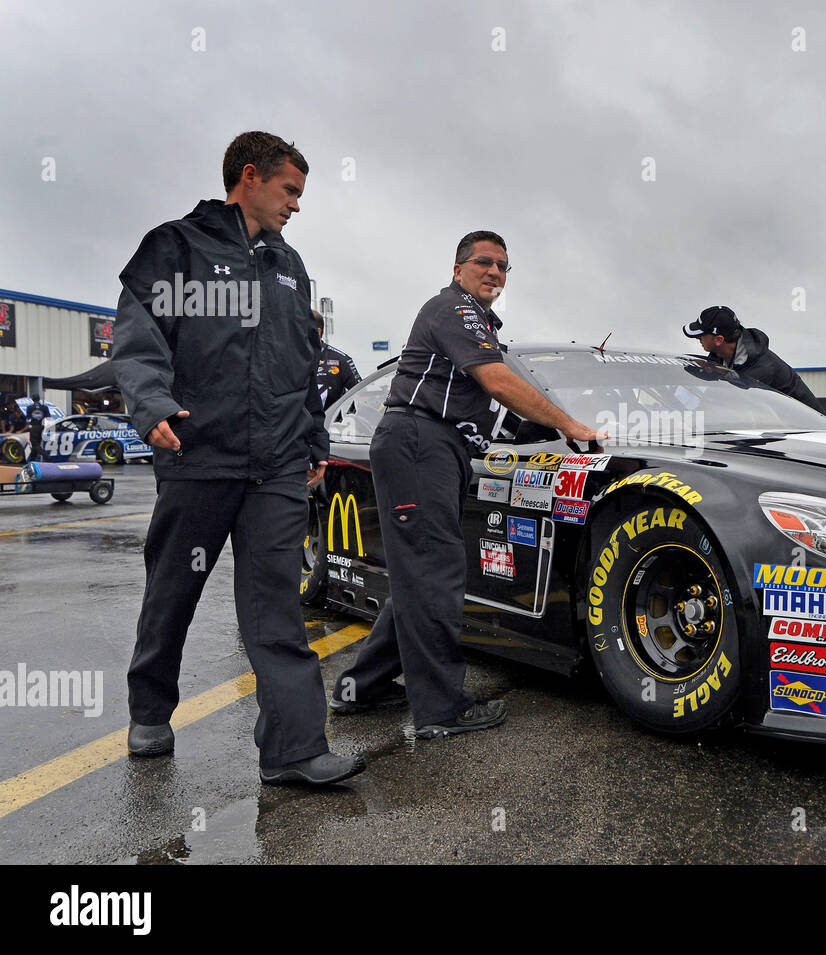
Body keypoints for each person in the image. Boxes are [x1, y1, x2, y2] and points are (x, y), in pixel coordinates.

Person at [112, 131, 365, 785]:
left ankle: (293, 748)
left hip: (276, 465)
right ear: (248, 177)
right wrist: (152, 402)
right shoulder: (178, 246)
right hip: (200, 455)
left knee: (276, 603)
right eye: (290, 190)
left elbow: (300, 365)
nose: (297, 205)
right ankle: (149, 709)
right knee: (173, 592)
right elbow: (137, 329)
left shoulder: (290, 266)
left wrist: (314, 439)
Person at [330, 230, 606, 736]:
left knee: (420, 577)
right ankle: (441, 710)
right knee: (434, 576)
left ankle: (362, 687)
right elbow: (498, 381)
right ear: (458, 268)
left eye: (504, 267)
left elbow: (494, 401)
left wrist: (540, 429)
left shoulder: (476, 319)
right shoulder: (453, 308)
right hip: (419, 442)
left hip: (438, 448)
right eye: (485, 262)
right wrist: (572, 425)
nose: (496, 273)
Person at [683, 305, 822, 411]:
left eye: (701, 334)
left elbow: (725, 407)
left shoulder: (762, 370)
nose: (697, 338)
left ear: (719, 340)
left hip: (807, 437)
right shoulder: (719, 356)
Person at [313, 309, 362, 411]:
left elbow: (361, 394)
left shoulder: (341, 360)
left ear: (318, 332)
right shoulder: (291, 359)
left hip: (330, 424)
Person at [25, 394, 48, 462]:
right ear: (39, 399)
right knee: (37, 442)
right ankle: (32, 460)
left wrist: (28, 426)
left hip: (33, 427)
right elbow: (48, 418)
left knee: (35, 444)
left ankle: (46, 456)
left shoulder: (29, 407)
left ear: (32, 399)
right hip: (41, 427)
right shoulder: (44, 407)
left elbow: (28, 419)